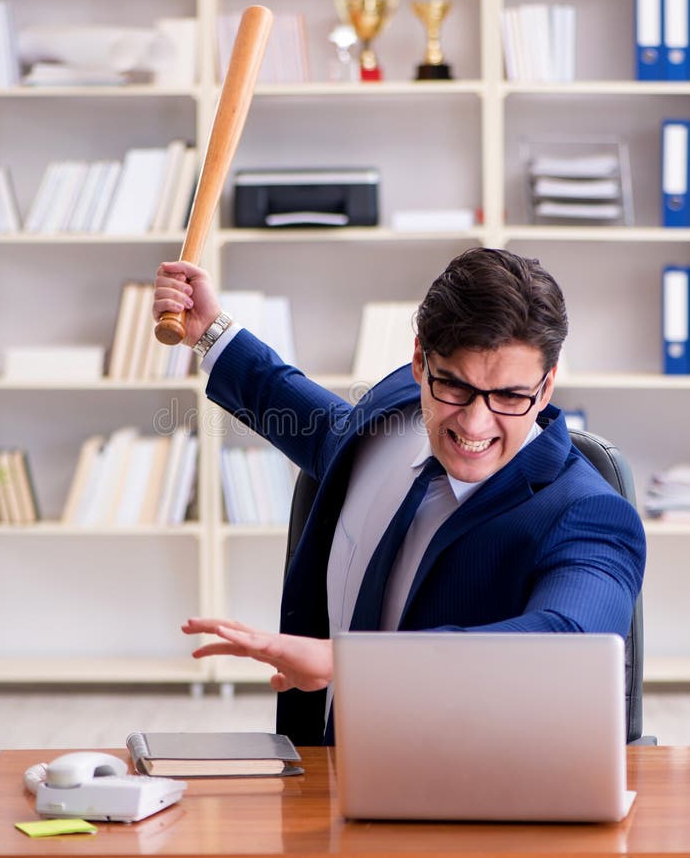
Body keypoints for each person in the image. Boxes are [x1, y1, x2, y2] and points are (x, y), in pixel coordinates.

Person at [153, 247, 646, 745]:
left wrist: (346, 662)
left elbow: (571, 643)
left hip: (460, 797)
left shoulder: (589, 514)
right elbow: (323, 431)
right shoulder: (390, 422)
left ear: (546, 387)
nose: (475, 423)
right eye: (454, 387)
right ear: (419, 362)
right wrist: (211, 331)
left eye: (510, 397)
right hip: (321, 772)